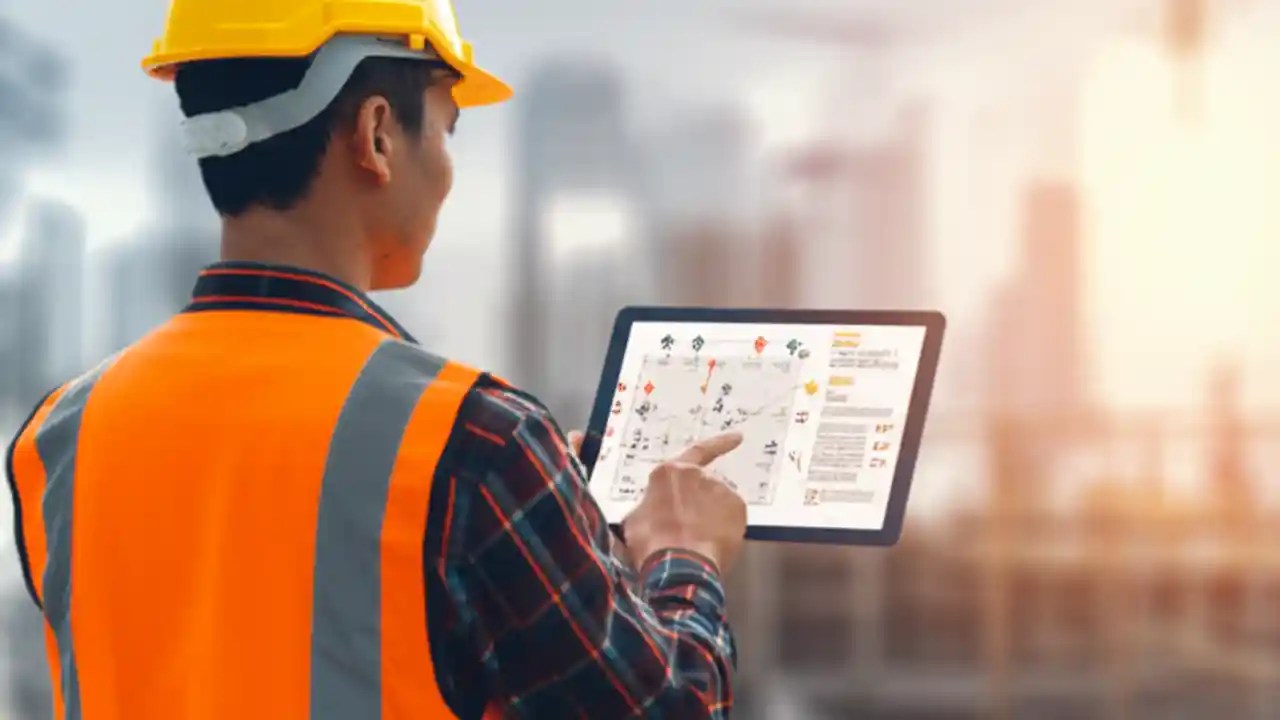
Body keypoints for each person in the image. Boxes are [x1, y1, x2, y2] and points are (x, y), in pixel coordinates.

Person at [4, 1, 749, 718]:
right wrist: (683, 552)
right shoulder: (477, 441)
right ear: (378, 134)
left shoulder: (61, 433)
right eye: (448, 130)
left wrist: (557, 512)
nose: (449, 169)